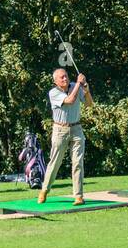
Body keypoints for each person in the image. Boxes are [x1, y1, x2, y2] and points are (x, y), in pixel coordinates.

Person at [39, 68, 92, 205]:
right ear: (55, 81)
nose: (65, 79)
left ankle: (79, 196)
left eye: (66, 76)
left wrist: (86, 88)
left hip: (76, 129)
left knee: (78, 163)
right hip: (60, 130)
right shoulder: (53, 92)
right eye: (61, 77)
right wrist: (79, 85)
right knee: (55, 162)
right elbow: (69, 100)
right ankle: (44, 190)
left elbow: (89, 104)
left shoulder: (76, 86)